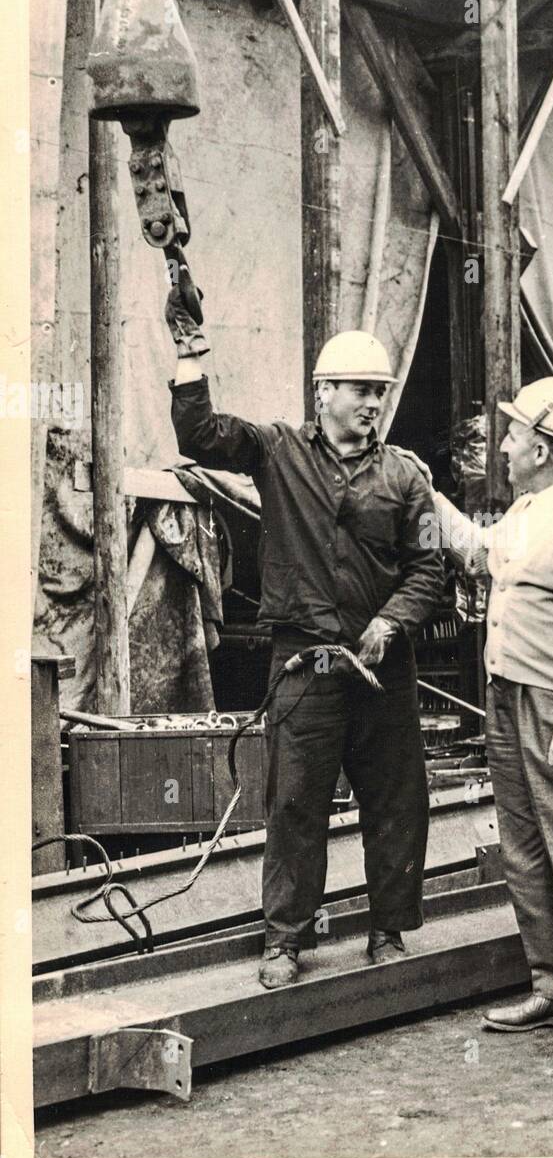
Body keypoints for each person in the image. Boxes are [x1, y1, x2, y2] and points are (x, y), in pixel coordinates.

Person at [166, 293, 444, 988]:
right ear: (324, 393)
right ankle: (285, 940)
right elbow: (199, 436)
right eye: (359, 390)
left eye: (379, 392)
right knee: (294, 804)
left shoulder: (408, 475)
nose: (372, 403)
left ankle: (387, 931)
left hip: (385, 668)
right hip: (304, 666)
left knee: (396, 799)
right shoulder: (276, 451)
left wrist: (391, 622)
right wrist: (189, 355)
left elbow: (428, 567)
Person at [407, 377, 553, 1062]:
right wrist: (430, 497)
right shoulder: (530, 510)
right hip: (508, 697)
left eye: (511, 436)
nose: (504, 447)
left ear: (540, 447)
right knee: (524, 848)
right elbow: (482, 555)